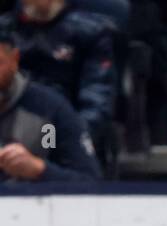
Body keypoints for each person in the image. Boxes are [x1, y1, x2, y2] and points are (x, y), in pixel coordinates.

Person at [0, 0, 116, 149]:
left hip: (63, 130)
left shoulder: (90, 31)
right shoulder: (5, 30)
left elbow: (96, 100)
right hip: (10, 128)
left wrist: (71, 141)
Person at [0, 22, 100, 182]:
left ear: (15, 59)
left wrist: (39, 169)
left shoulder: (48, 113)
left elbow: (89, 182)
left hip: (33, 203)